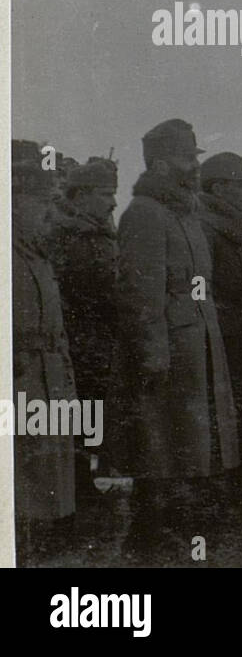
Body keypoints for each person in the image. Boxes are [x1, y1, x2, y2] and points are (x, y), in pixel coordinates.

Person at [117, 119, 240, 560]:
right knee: (160, 443)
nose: (195, 166)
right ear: (164, 163)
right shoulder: (145, 214)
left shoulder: (183, 212)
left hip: (198, 343)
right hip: (169, 350)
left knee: (191, 442)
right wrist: (153, 354)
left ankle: (184, 529)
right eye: (189, 158)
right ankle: (149, 536)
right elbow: (141, 294)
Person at [12, 158, 79, 563]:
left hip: (47, 373)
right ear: (15, 200)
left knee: (47, 466)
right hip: (20, 375)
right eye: (42, 201)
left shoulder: (36, 251)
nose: (51, 212)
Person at [49, 157, 120, 508]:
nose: (113, 202)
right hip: (82, 339)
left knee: (92, 412)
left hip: (96, 338)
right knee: (82, 413)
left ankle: (85, 485)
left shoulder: (95, 231)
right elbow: (90, 289)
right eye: (107, 194)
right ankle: (79, 488)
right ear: (82, 195)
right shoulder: (72, 235)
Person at [197, 152, 242, 452]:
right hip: (222, 331)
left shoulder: (240, 225)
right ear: (218, 189)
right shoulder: (205, 225)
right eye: (239, 184)